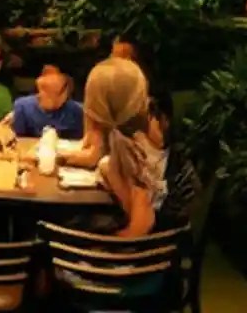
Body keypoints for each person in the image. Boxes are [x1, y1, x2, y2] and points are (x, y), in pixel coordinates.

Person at [60, 57, 196, 237]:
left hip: (151, 253)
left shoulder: (136, 153)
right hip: (162, 243)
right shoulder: (124, 148)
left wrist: (106, 250)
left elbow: (141, 226)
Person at [10, 65, 84, 139]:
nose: (51, 98)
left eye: (55, 93)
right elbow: (19, 141)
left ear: (65, 93)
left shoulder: (76, 111)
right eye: (46, 91)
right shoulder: (22, 107)